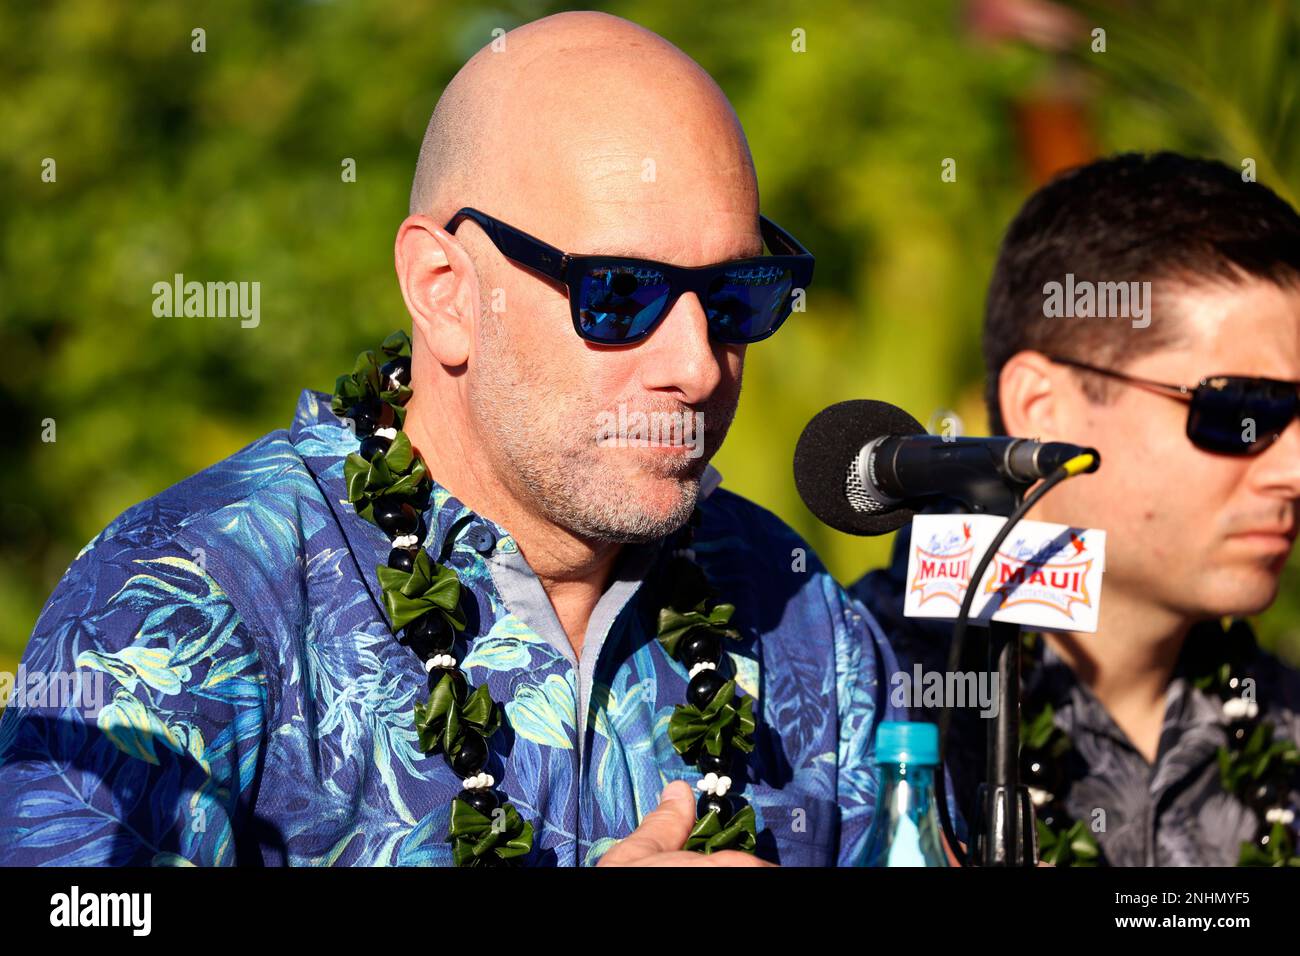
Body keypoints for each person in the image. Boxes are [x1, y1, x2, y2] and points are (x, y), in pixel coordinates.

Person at [0, 11, 903, 867]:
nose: (699, 366)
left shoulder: (795, 616)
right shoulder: (191, 600)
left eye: (741, 294)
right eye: (622, 293)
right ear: (445, 290)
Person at [855, 152, 1300, 866]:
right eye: (1241, 410)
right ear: (1043, 407)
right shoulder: (834, 706)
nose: (1293, 469)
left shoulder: (1285, 725)